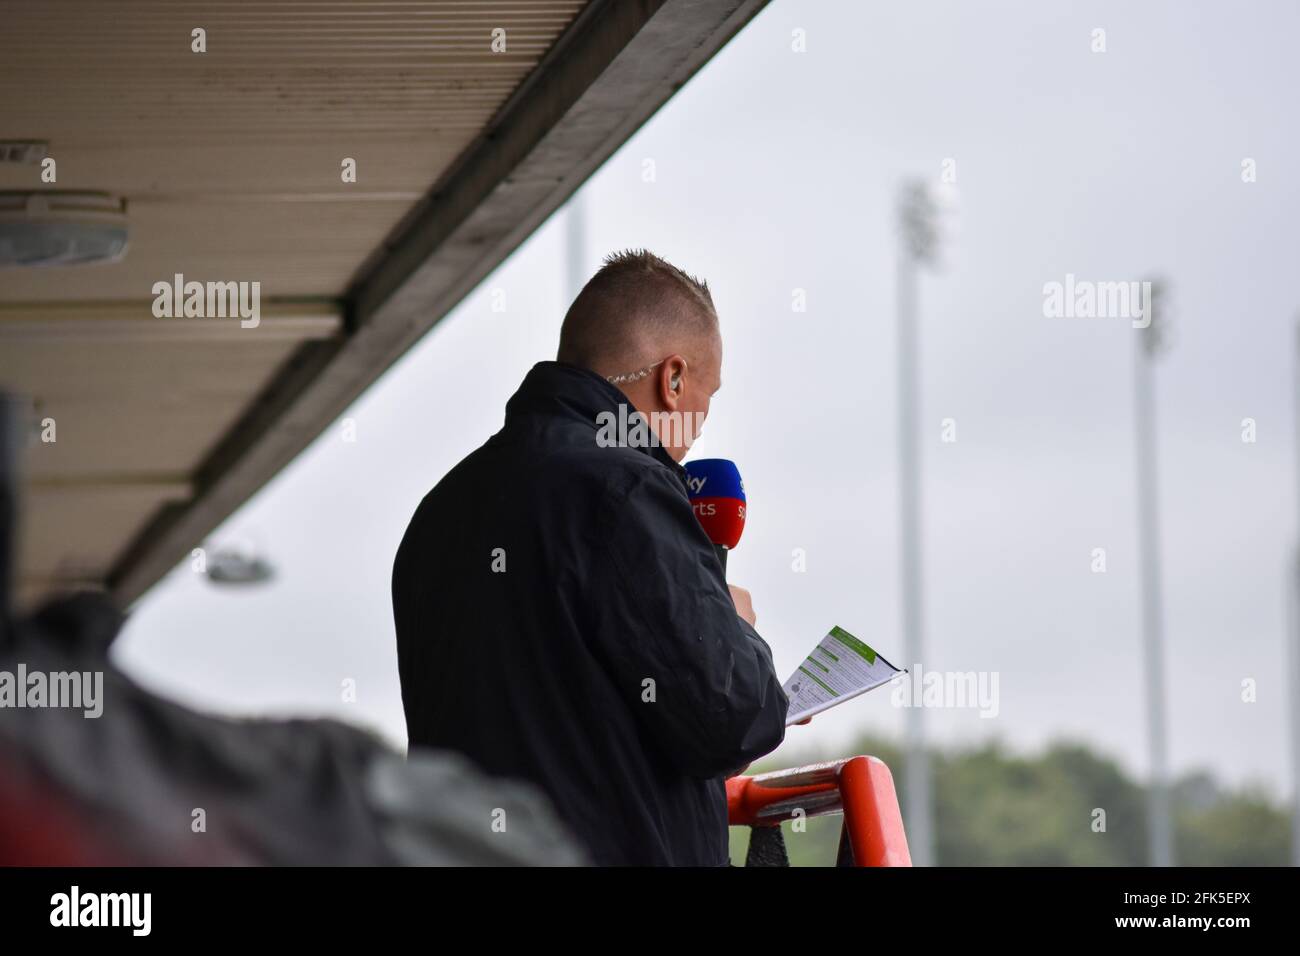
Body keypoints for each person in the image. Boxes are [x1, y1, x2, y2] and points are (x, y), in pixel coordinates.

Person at [392, 249, 788, 865]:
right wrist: (734, 629)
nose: (696, 437)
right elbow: (733, 717)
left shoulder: (439, 510)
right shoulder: (626, 493)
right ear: (673, 378)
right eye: (704, 406)